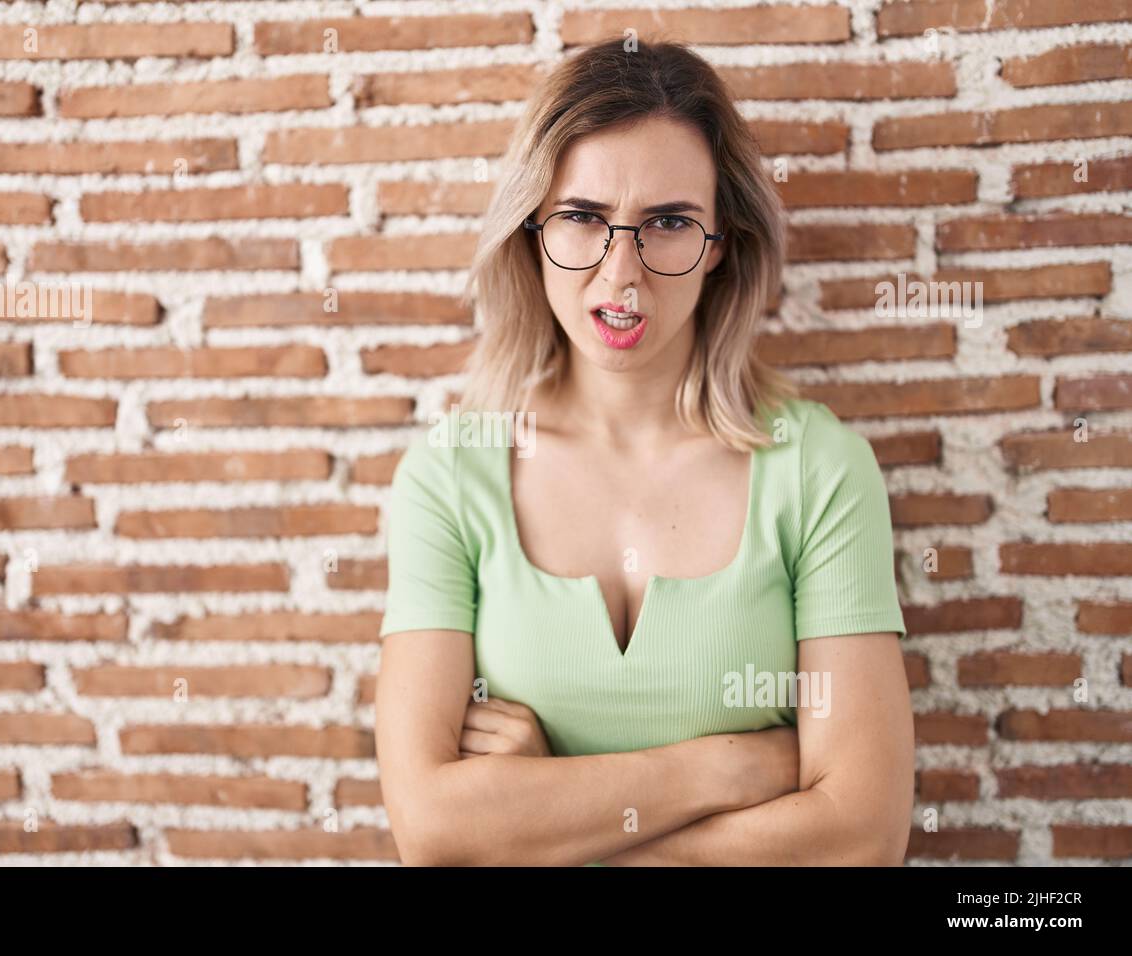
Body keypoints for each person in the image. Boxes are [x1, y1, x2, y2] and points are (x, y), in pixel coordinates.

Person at [373, 37, 912, 866]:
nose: (620, 274)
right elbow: (432, 831)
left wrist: (540, 813)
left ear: (721, 242)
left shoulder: (819, 470)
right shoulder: (449, 478)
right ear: (532, 228)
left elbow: (861, 837)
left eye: (667, 223)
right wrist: (734, 766)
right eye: (584, 218)